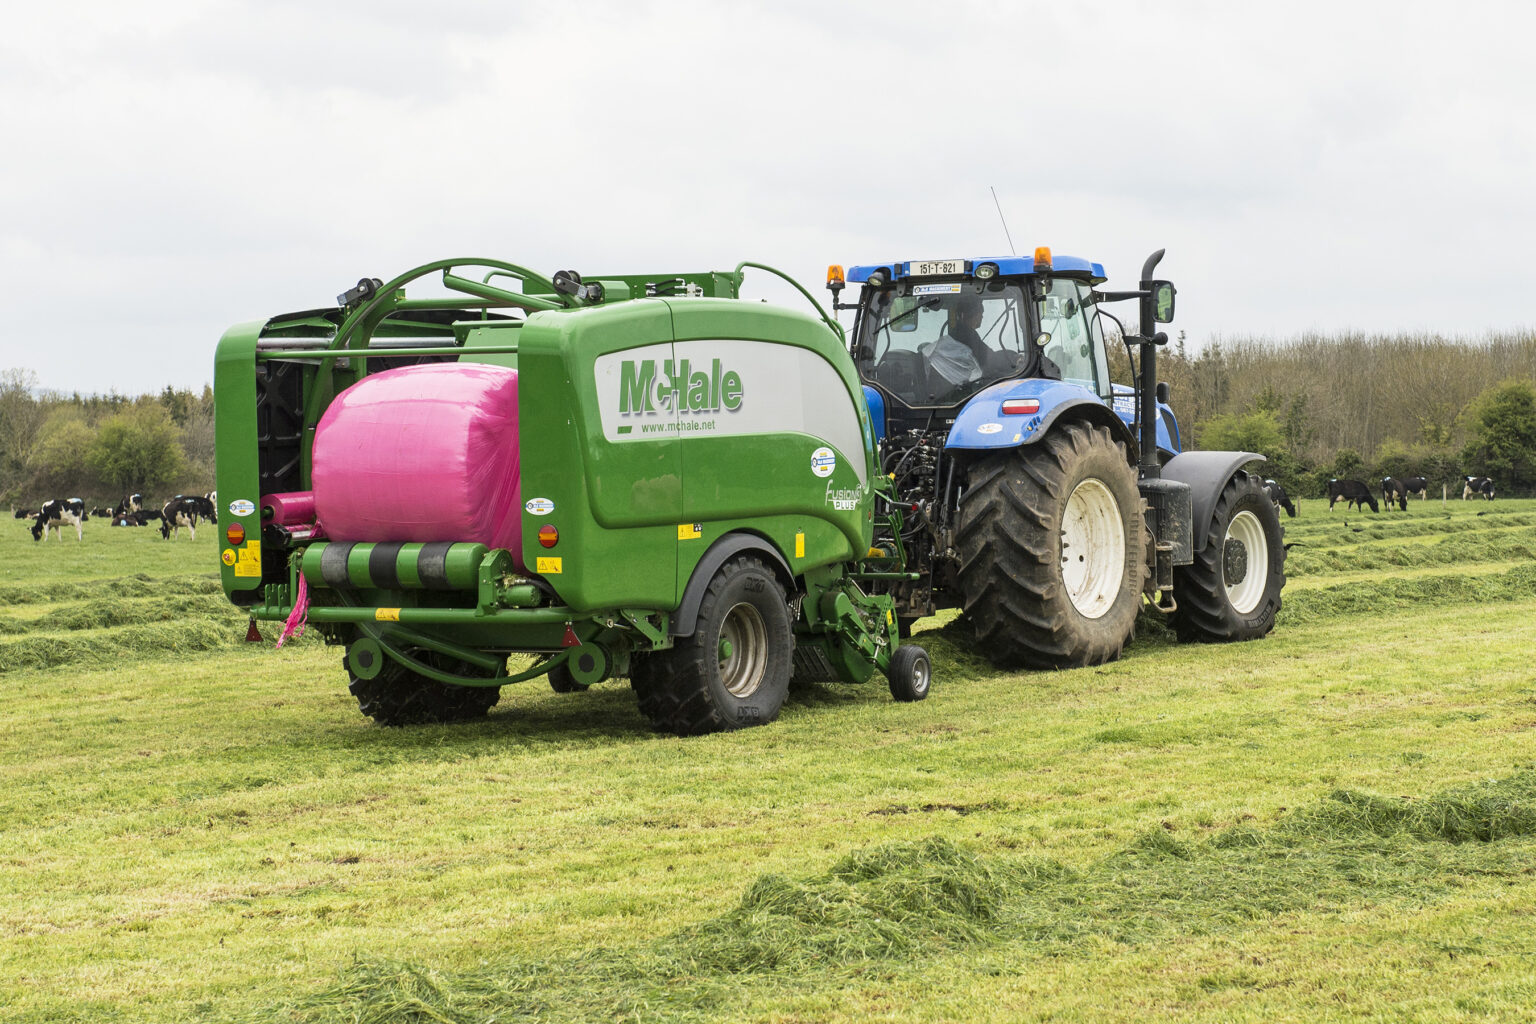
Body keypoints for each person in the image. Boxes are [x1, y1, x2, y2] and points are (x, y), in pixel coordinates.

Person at [927, 291, 990, 389]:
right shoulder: (967, 335)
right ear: (966, 314)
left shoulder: (956, 334)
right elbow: (988, 359)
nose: (982, 317)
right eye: (980, 313)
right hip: (963, 390)